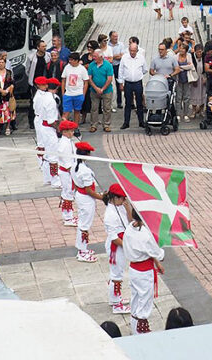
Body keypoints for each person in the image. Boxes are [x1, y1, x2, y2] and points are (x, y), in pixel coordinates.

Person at [124, 208, 165, 335]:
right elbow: (158, 253)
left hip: (133, 269)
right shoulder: (145, 235)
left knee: (136, 298)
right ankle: (140, 332)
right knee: (145, 301)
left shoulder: (130, 228)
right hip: (144, 272)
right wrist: (160, 255)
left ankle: (134, 328)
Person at [103, 183, 131, 314]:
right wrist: (129, 246)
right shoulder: (110, 215)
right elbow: (114, 238)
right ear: (114, 197)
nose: (124, 200)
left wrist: (128, 208)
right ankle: (116, 303)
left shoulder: (119, 206)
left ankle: (115, 298)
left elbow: (129, 222)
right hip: (116, 246)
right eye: (122, 198)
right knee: (116, 274)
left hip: (121, 242)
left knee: (118, 271)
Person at [71, 141, 100, 263]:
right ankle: (82, 251)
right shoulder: (85, 171)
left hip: (80, 195)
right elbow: (89, 190)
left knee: (83, 222)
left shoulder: (74, 166)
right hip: (86, 199)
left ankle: (82, 248)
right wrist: (102, 198)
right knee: (84, 225)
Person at [119, 40, 147, 130]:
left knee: (139, 102)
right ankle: (126, 122)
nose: (132, 52)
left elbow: (145, 70)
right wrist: (121, 83)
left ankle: (141, 122)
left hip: (138, 83)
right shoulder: (124, 57)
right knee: (128, 103)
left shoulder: (141, 58)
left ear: (137, 50)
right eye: (131, 50)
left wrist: (138, 75)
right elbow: (121, 70)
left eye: (134, 51)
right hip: (128, 83)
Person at [87, 50, 114, 133]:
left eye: (95, 56)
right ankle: (93, 125)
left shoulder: (108, 65)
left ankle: (106, 125)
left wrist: (102, 89)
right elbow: (89, 78)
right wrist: (96, 88)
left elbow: (109, 79)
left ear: (101, 57)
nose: (93, 58)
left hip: (107, 90)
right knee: (94, 108)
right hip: (94, 91)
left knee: (107, 108)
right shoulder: (91, 65)